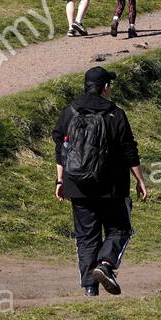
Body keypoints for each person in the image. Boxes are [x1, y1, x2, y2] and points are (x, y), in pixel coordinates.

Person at [54, 66, 148, 296]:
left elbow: (61, 147)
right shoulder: (116, 113)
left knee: (86, 237)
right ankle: (105, 264)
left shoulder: (70, 111)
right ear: (105, 87)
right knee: (120, 229)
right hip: (112, 187)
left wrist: (60, 181)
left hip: (77, 185)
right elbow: (129, 150)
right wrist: (140, 179)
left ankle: (89, 289)